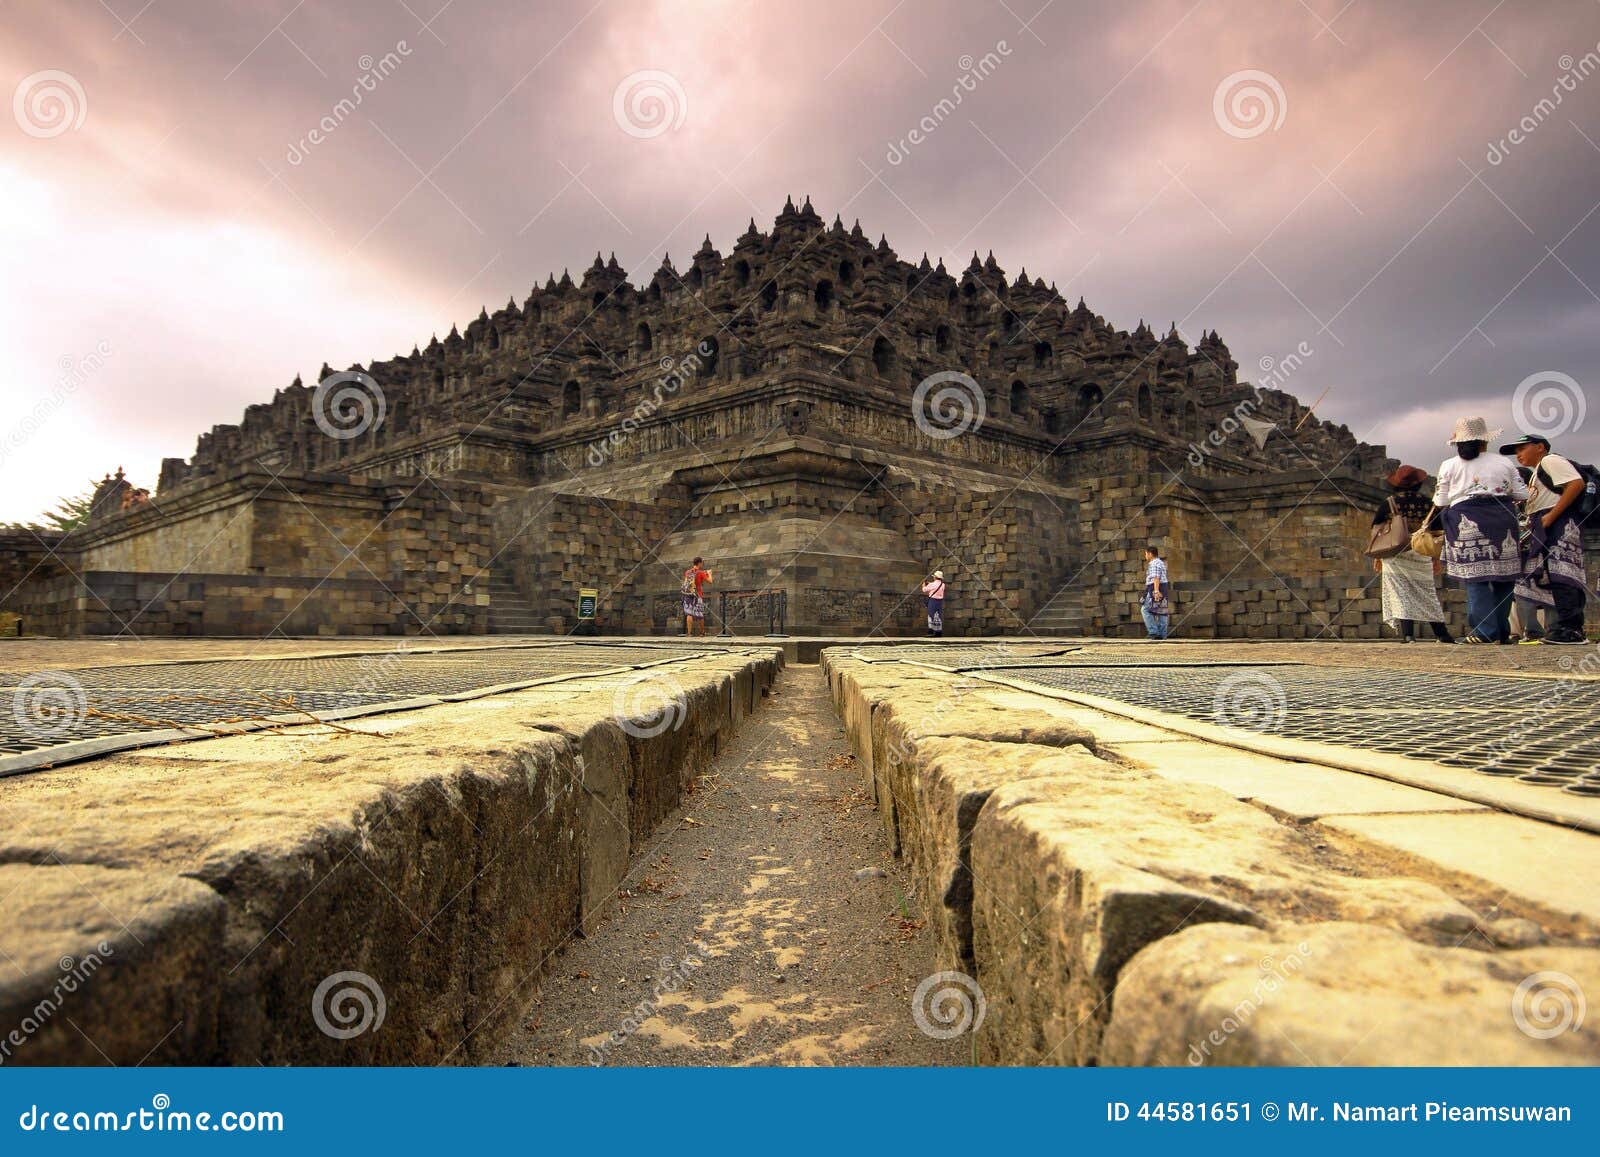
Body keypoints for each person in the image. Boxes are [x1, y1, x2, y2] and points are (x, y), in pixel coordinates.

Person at [1431, 417, 1528, 644]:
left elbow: (1441, 499)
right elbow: (1522, 495)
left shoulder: (1449, 465)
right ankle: (1503, 631)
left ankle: (1485, 631)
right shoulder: (1504, 463)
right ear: (1485, 441)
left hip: (1465, 515)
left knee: (1476, 577)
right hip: (1502, 517)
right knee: (1504, 577)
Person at [1502, 433, 1590, 645]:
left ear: (1540, 447)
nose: (1518, 454)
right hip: (1546, 522)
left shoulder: (1551, 461)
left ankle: (1571, 629)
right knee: (1553, 575)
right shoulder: (1538, 472)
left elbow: (1575, 484)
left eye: (1522, 448)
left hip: (1558, 522)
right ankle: (1564, 627)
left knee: (1563, 573)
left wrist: (1552, 515)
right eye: (1516, 451)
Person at [1371, 465, 1454, 643]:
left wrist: (1378, 556)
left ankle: (1408, 635)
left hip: (1395, 554)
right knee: (1427, 594)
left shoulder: (1389, 503)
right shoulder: (1428, 504)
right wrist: (1436, 558)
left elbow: (1377, 530)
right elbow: (1437, 532)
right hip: (1420, 551)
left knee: (1400, 594)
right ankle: (1442, 634)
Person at [1141, 546, 1171, 641]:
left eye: (1145, 554)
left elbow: (1156, 577)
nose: (1145, 556)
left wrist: (1156, 591)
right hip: (1163, 587)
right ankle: (1162, 635)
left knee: (1145, 609)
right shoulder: (1160, 562)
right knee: (1161, 611)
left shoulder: (1154, 563)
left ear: (1150, 554)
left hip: (1155, 588)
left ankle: (1154, 632)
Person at [681, 556, 713, 636]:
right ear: (699, 563)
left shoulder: (687, 572)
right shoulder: (700, 572)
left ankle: (689, 633)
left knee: (689, 613)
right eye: (702, 562)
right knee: (699, 614)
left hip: (688, 594)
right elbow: (710, 581)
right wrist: (709, 574)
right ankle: (702, 632)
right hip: (697, 595)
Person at [920, 569, 946, 637]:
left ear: (935, 577)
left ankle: (931, 631)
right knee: (938, 615)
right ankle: (938, 631)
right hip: (939, 601)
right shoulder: (943, 585)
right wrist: (929, 584)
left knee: (931, 615)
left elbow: (924, 590)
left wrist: (923, 585)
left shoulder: (932, 584)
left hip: (933, 600)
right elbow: (935, 586)